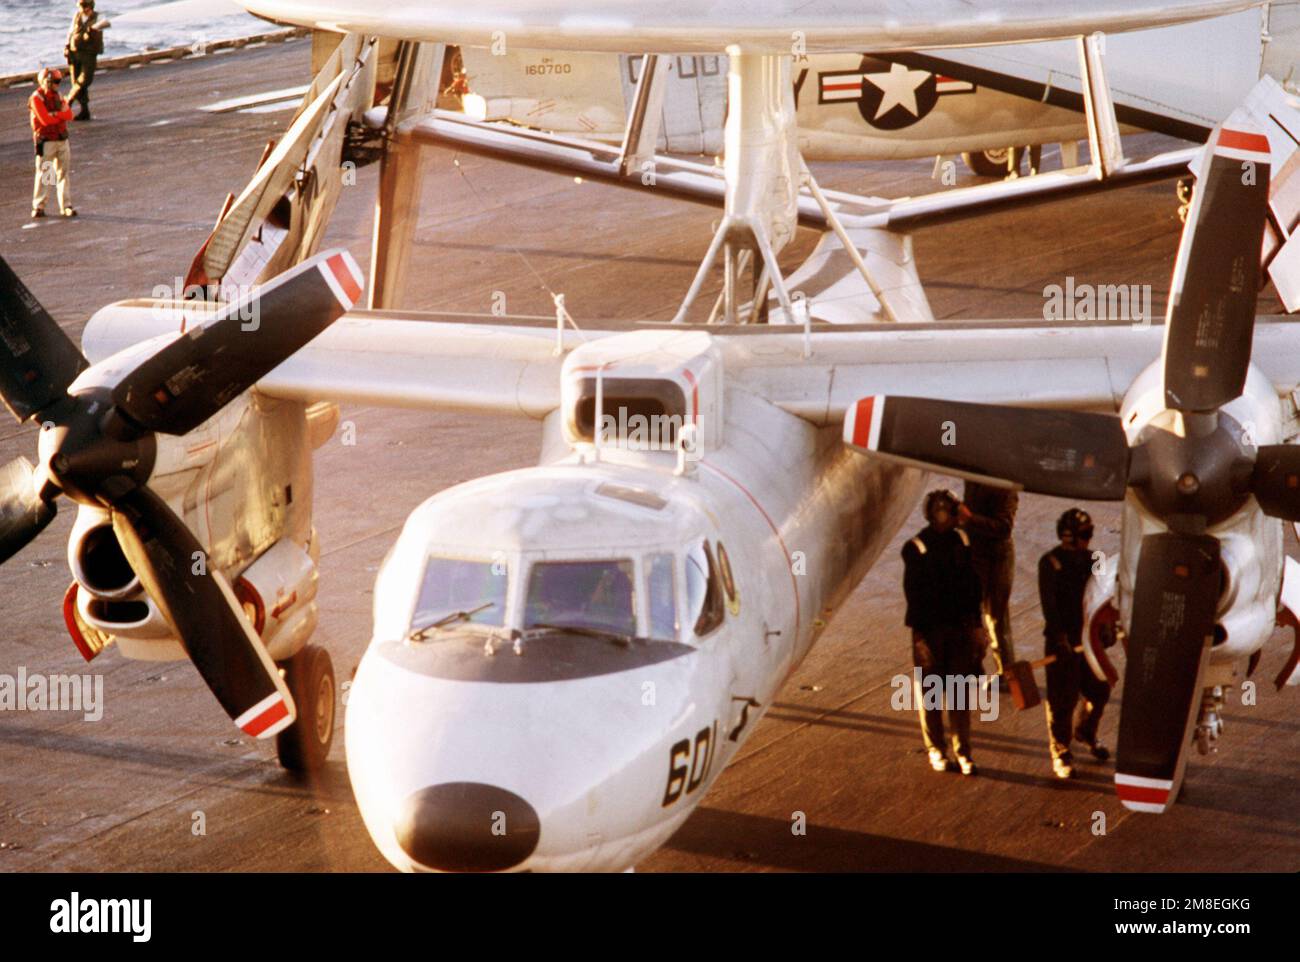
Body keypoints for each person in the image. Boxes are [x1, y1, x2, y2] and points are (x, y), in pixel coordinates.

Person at [901, 488, 987, 776]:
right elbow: (914, 600)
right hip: (931, 633)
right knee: (932, 697)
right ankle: (937, 750)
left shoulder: (962, 541)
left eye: (948, 512)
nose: (946, 517)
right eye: (942, 512)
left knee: (960, 695)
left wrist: (978, 626)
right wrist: (920, 640)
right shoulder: (916, 548)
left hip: (960, 631)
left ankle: (963, 752)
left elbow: (974, 587)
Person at [1038, 508, 1112, 780]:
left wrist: (1105, 629)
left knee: (1100, 690)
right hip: (1063, 644)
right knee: (1062, 702)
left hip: (1089, 641)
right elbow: (1050, 606)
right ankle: (1061, 752)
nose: (1087, 540)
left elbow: (1104, 597)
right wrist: (1059, 639)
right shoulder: (1050, 563)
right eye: (1084, 535)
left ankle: (1086, 731)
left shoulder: (1096, 561)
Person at [959, 480, 1018, 683]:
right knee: (970, 614)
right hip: (975, 551)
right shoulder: (973, 476)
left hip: (997, 556)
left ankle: (1007, 673)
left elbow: (1004, 528)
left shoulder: (1004, 485)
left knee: (997, 617)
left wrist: (970, 519)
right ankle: (972, 667)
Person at [29, 68, 76, 219]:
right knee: (46, 175)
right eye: (55, 81)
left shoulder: (58, 95)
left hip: (62, 139)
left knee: (63, 174)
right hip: (47, 142)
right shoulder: (36, 98)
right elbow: (45, 120)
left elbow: (69, 115)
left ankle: (66, 206)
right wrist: (59, 115)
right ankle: (39, 206)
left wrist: (55, 114)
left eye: (58, 81)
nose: (58, 84)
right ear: (46, 82)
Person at [65, 0, 105, 121]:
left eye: (83, 6)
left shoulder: (99, 17)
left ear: (90, 7)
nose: (81, 9)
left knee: (85, 79)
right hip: (74, 52)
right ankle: (85, 110)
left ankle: (69, 99)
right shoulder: (77, 16)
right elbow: (70, 32)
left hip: (89, 53)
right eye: (80, 6)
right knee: (75, 80)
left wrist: (89, 35)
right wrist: (67, 47)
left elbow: (98, 36)